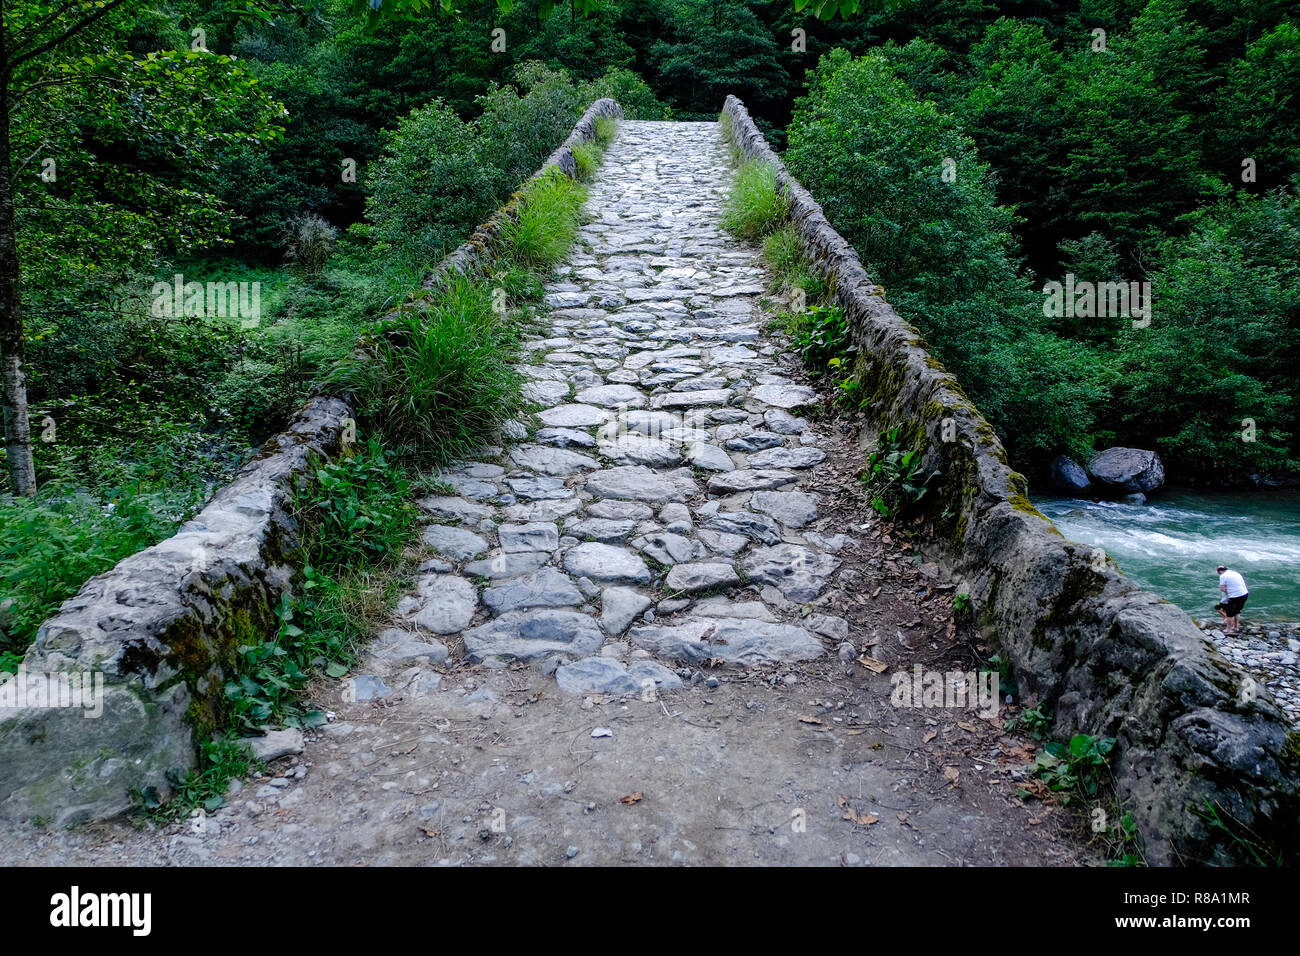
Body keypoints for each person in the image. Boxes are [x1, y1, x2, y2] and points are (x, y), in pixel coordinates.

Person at [1215, 565, 1249, 634]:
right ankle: (1236, 627)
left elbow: (1222, 589)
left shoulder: (1223, 576)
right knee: (1237, 611)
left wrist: (1227, 596)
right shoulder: (1236, 573)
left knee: (1229, 614)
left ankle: (1228, 630)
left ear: (1220, 571)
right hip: (1245, 594)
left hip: (1235, 596)